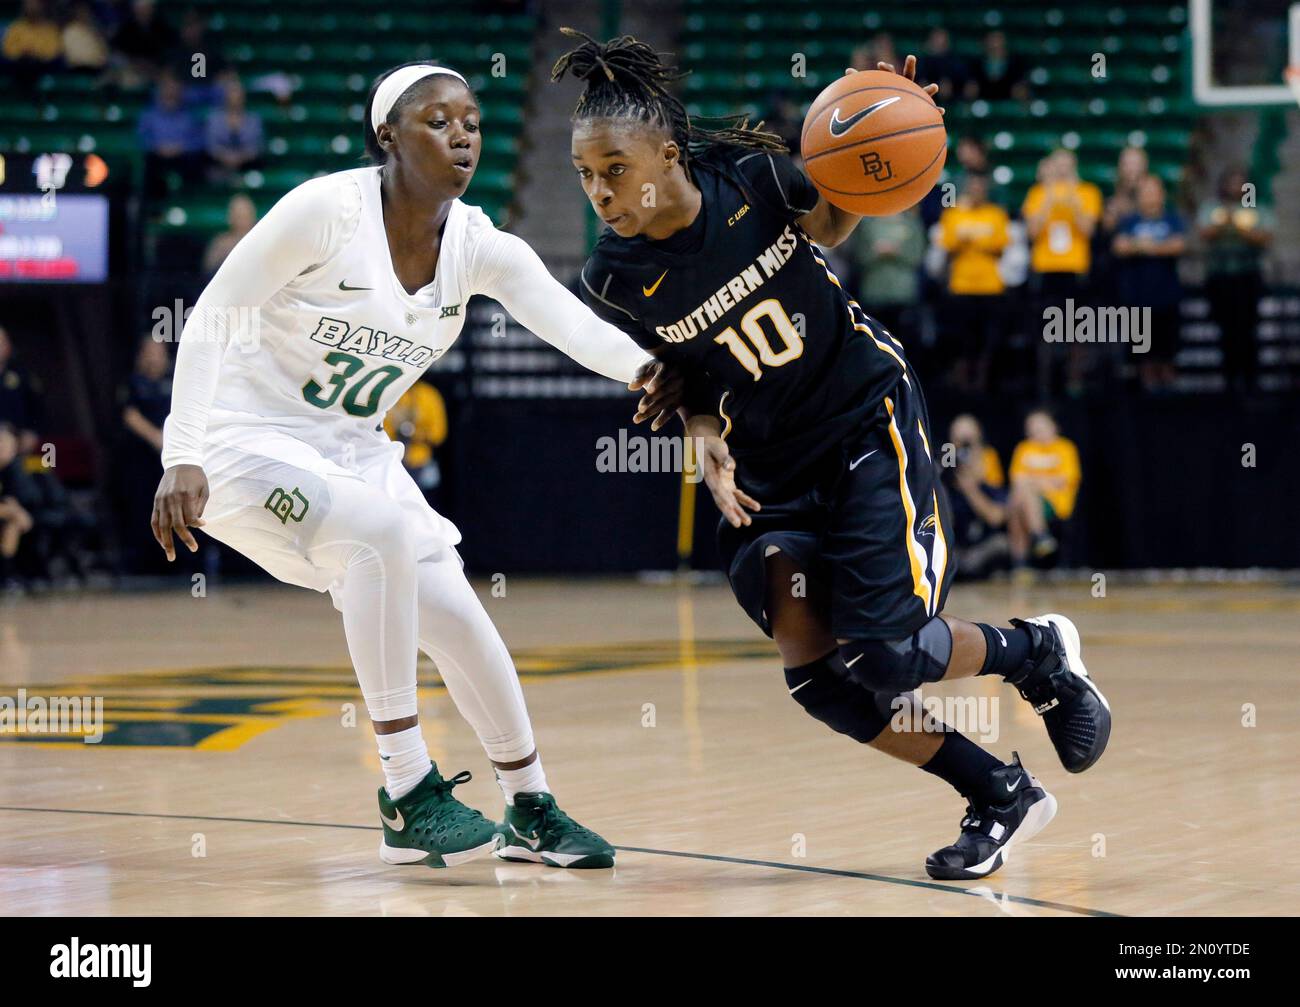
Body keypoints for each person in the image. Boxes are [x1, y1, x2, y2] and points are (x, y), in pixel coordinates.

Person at [557, 32, 1111, 881]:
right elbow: (685, 375)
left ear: (667, 155)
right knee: (820, 676)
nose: (600, 191)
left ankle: (1033, 650)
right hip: (768, 468)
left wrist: (873, 145)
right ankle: (1001, 792)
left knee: (885, 651)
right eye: (586, 175)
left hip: (861, 420)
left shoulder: (751, 178)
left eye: (615, 170)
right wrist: (701, 429)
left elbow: (833, 217)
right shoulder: (611, 275)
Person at [152, 62, 684, 872]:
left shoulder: (478, 246)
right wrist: (181, 452)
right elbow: (213, 314)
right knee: (378, 534)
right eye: (438, 120)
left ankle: (530, 804)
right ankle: (405, 789)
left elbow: (573, 328)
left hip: (348, 445)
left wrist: (662, 371)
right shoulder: (324, 212)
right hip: (237, 437)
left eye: (471, 119)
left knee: (453, 606)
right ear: (387, 136)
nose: (463, 132)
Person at [1022, 150, 1102, 395]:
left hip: (1075, 270)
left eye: (1067, 165)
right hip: (1046, 270)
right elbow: (1032, 232)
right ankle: (1045, 383)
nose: (1062, 170)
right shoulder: (1037, 194)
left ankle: (1074, 381)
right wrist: (1048, 191)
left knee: (1077, 330)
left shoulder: (1087, 192)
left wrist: (1071, 195)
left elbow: (1087, 229)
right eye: (1058, 165)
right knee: (1045, 330)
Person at [1198, 167, 1273, 393]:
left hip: (1247, 276)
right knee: (1226, 329)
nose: (1235, 187)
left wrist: (1237, 227)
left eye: (1240, 183)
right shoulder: (1211, 207)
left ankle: (1251, 379)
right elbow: (1205, 233)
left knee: (1248, 329)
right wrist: (1228, 224)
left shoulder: (1255, 207)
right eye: (1231, 182)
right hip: (1220, 276)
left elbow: (1264, 237)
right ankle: (1229, 380)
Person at [936, 171, 1010, 392]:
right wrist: (975, 241)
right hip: (961, 285)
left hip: (990, 286)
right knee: (962, 340)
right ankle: (962, 384)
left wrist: (971, 240)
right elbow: (948, 247)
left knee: (988, 340)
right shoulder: (953, 214)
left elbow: (1000, 248)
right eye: (973, 186)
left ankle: (983, 383)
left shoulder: (996, 214)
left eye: (981, 186)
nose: (977, 190)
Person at [1113, 174, 1186, 392]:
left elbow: (1178, 246)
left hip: (1166, 296)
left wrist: (1143, 246)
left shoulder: (1172, 219)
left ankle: (1168, 391)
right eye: (1145, 192)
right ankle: (1147, 392)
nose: (1150, 196)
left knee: (1167, 351)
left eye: (1154, 191)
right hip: (1137, 297)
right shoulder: (1129, 221)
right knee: (1143, 355)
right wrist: (1157, 246)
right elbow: (1119, 247)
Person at [1008, 409, 1080, 572]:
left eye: (1041, 426)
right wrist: (1043, 482)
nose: (1037, 431)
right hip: (1027, 500)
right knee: (1019, 500)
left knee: (1019, 500)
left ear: (1053, 426)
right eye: (1032, 427)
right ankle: (1040, 536)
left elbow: (1064, 481)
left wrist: (1034, 482)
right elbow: (1016, 480)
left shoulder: (1065, 448)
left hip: (1056, 503)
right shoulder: (1024, 448)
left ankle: (1021, 560)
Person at [942, 414, 1008, 581]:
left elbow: (996, 517)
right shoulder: (946, 476)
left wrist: (971, 487)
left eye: (969, 444)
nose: (964, 452)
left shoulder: (990, 466)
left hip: (981, 546)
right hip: (953, 548)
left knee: (1001, 544)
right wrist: (952, 471)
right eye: (959, 443)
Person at [138, 70, 205, 199]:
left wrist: (181, 147)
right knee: (148, 166)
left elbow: (199, 141)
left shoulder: (190, 115)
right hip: (157, 159)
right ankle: (152, 213)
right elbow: (141, 139)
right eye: (167, 86)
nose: (171, 90)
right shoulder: (149, 115)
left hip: (183, 159)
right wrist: (158, 147)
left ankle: (191, 203)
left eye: (174, 86)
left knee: (196, 162)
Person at [383, 378, 448, 507]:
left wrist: (414, 433)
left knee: (417, 505)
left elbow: (438, 434)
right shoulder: (389, 393)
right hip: (390, 462)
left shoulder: (428, 394)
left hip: (418, 462)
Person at [205, 77, 263, 182]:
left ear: (243, 96)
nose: (235, 97)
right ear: (226, 96)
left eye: (238, 93)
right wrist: (226, 157)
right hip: (219, 167)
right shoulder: (214, 119)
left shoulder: (254, 120)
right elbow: (211, 147)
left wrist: (240, 158)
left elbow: (257, 147)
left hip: (248, 167)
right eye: (232, 93)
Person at [0, 423, 37, 589]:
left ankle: (7, 575)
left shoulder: (18, 467)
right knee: (17, 520)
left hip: (8, 517)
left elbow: (16, 498)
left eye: (8, 445)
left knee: (13, 526)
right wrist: (16, 513)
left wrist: (15, 512)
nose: (5, 449)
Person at [0, 325, 43, 455]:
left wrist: (32, 432)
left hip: (23, 443)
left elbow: (37, 409)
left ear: (7, 346)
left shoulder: (22, 375)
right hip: (4, 449)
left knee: (42, 470)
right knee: (17, 472)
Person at [1, 0, 62, 91]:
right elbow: (8, 50)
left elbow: (53, 52)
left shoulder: (50, 28)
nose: (31, 6)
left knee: (55, 62)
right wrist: (23, 52)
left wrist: (35, 53)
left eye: (34, 3)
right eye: (28, 3)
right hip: (20, 64)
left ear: (42, 6)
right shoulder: (16, 27)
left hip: (41, 65)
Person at [201, 193, 257, 276]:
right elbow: (208, 271)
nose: (241, 219)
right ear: (230, 217)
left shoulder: (262, 241)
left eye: (244, 214)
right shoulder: (220, 243)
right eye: (238, 215)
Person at [964, 30, 1028, 102]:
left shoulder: (1017, 65)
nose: (995, 45)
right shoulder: (975, 65)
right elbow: (970, 91)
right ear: (985, 45)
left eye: (999, 42)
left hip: (1009, 104)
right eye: (992, 42)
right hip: (981, 105)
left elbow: (1021, 91)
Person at [62, 2, 109, 73]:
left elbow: (103, 55)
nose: (84, 14)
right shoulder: (70, 31)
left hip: (99, 69)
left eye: (86, 11)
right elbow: (76, 59)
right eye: (81, 11)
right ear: (75, 13)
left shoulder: (94, 29)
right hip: (79, 70)